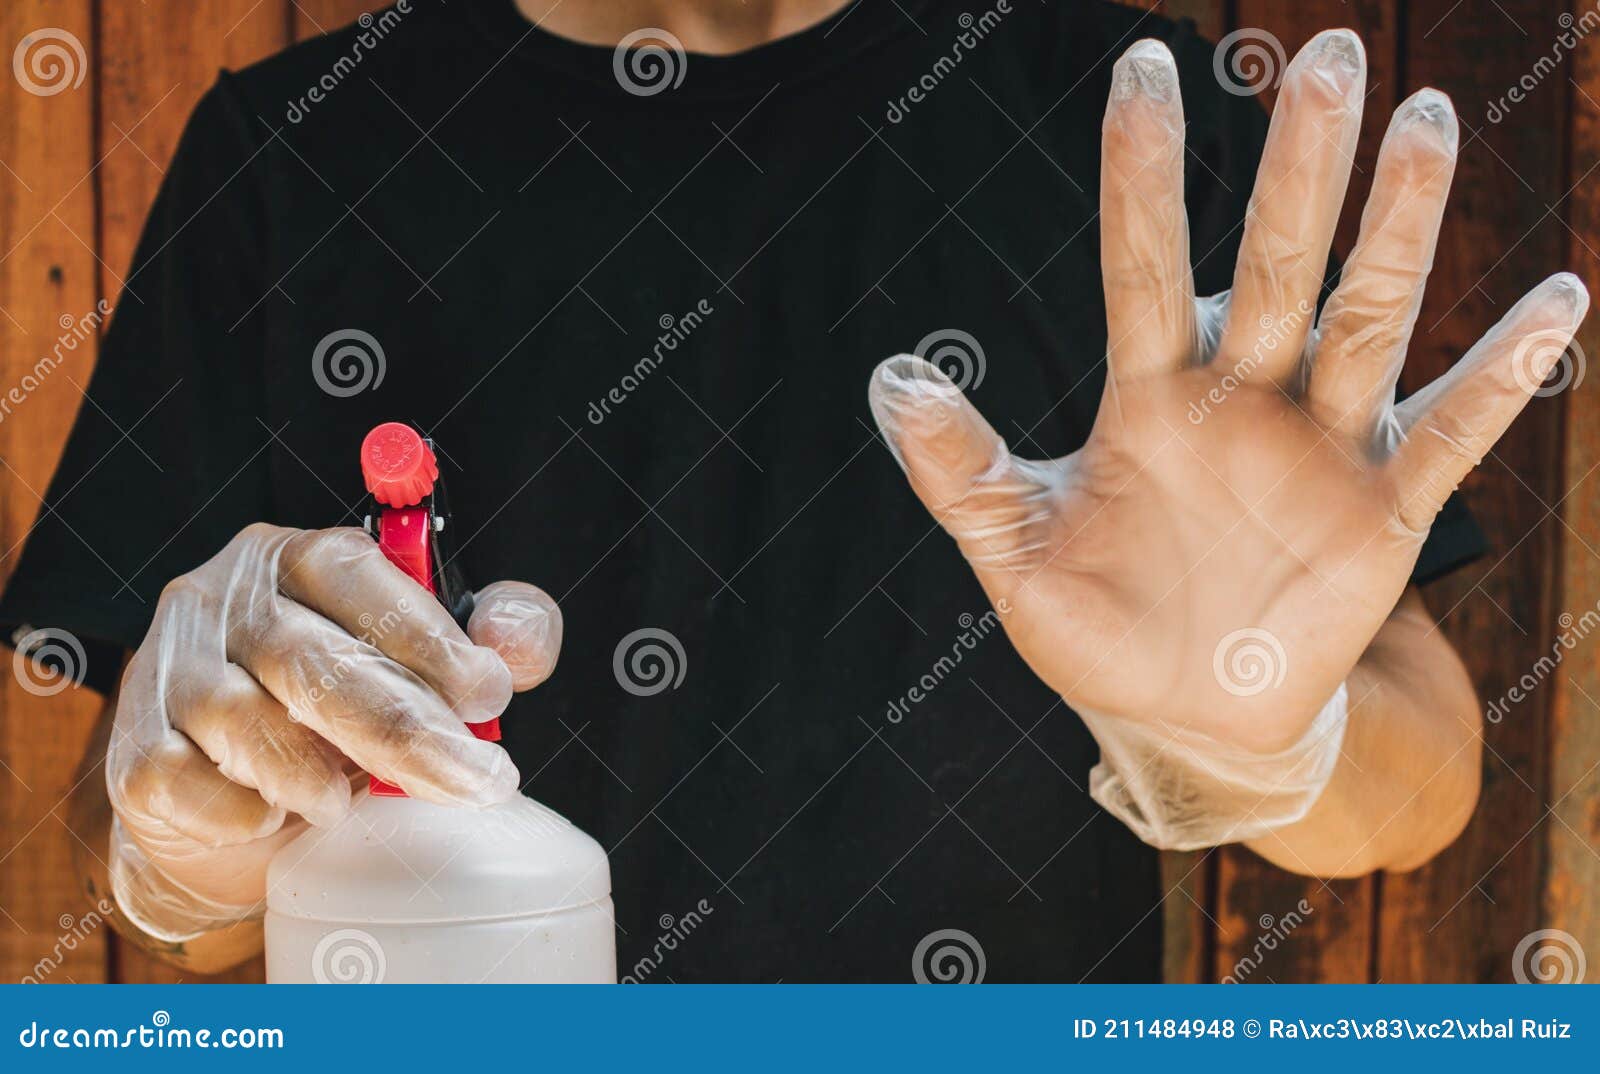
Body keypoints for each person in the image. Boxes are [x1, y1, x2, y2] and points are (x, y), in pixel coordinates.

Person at [0, 0, 1583, 982]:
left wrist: (1251, 720)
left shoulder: (1127, 130)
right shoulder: (293, 162)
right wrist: (184, 825)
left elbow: (1425, 772)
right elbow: (150, 889)